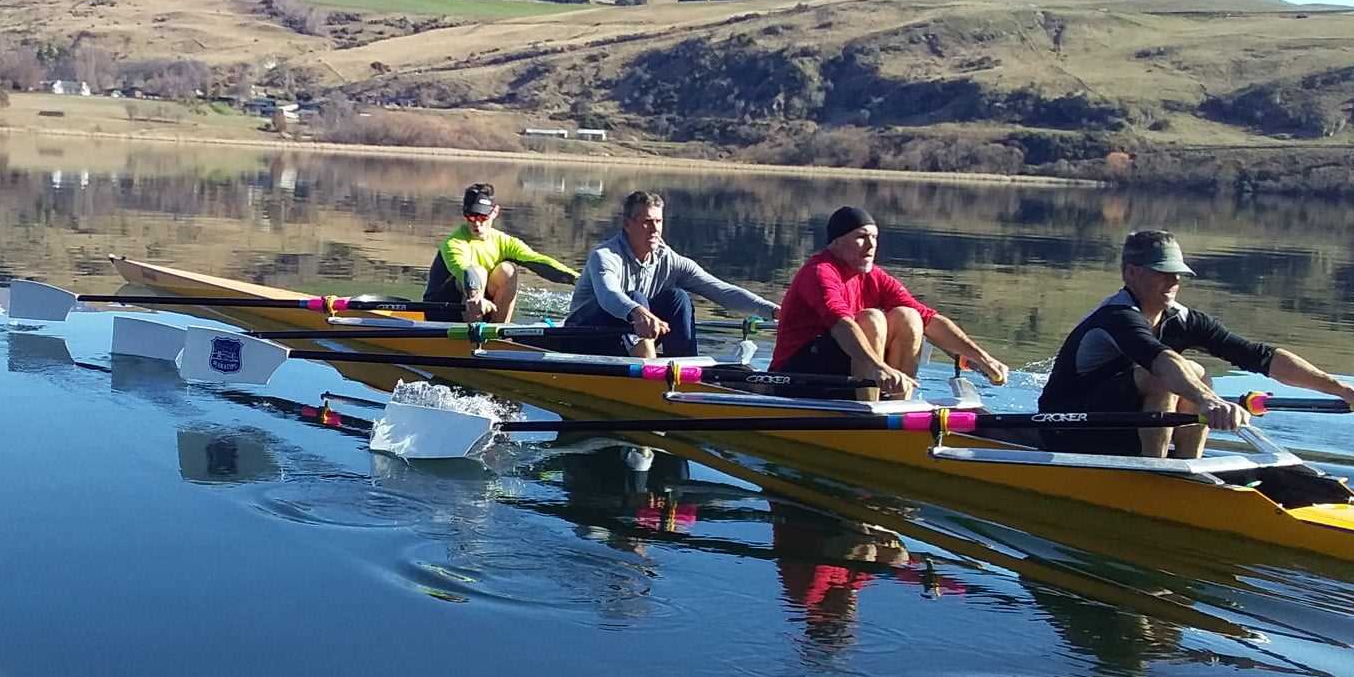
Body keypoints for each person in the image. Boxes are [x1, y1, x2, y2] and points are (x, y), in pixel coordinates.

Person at [1038, 229, 1354, 458]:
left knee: (1198, 373)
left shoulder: (1183, 319)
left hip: (1118, 427)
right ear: (1131, 273)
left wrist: (1344, 391)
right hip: (1066, 428)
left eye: (1177, 272)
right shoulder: (1116, 317)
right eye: (1161, 271)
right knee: (1181, 374)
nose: (1173, 280)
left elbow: (1260, 356)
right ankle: (1155, 475)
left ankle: (1186, 469)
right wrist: (1208, 401)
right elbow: (1161, 362)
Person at [771, 206, 1010, 400]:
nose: (871, 245)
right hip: (795, 375)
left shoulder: (874, 276)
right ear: (836, 243)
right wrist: (878, 367)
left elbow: (930, 320)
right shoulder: (820, 272)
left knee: (909, 316)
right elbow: (842, 325)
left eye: (874, 237)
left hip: (846, 369)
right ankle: (866, 405)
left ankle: (898, 403)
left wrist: (982, 357)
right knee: (872, 319)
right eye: (861, 237)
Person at [555, 190, 779, 358]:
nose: (655, 230)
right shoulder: (604, 256)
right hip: (582, 336)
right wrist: (636, 311)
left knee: (678, 298)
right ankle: (650, 375)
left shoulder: (670, 260)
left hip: (629, 339)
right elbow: (609, 294)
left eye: (659, 221)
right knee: (635, 298)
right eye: (646, 222)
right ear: (627, 224)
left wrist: (774, 311)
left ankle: (685, 371)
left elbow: (721, 291)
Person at [423, 183, 579, 322]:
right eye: (471, 216)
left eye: (482, 217)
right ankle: (472, 334)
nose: (477, 223)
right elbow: (466, 271)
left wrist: (578, 279)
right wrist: (476, 297)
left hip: (485, 307)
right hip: (443, 312)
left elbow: (536, 260)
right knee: (478, 271)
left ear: (495, 212)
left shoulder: (503, 242)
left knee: (508, 270)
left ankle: (497, 332)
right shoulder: (454, 243)